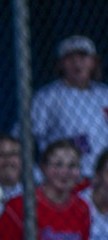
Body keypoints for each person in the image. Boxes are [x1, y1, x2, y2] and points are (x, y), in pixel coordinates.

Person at [31, 35, 108, 181]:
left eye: (83, 56)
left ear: (93, 62)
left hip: (104, 179)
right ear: (61, 64)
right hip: (68, 179)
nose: (77, 63)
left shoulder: (105, 94)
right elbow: (25, 138)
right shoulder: (47, 97)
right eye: (70, 58)